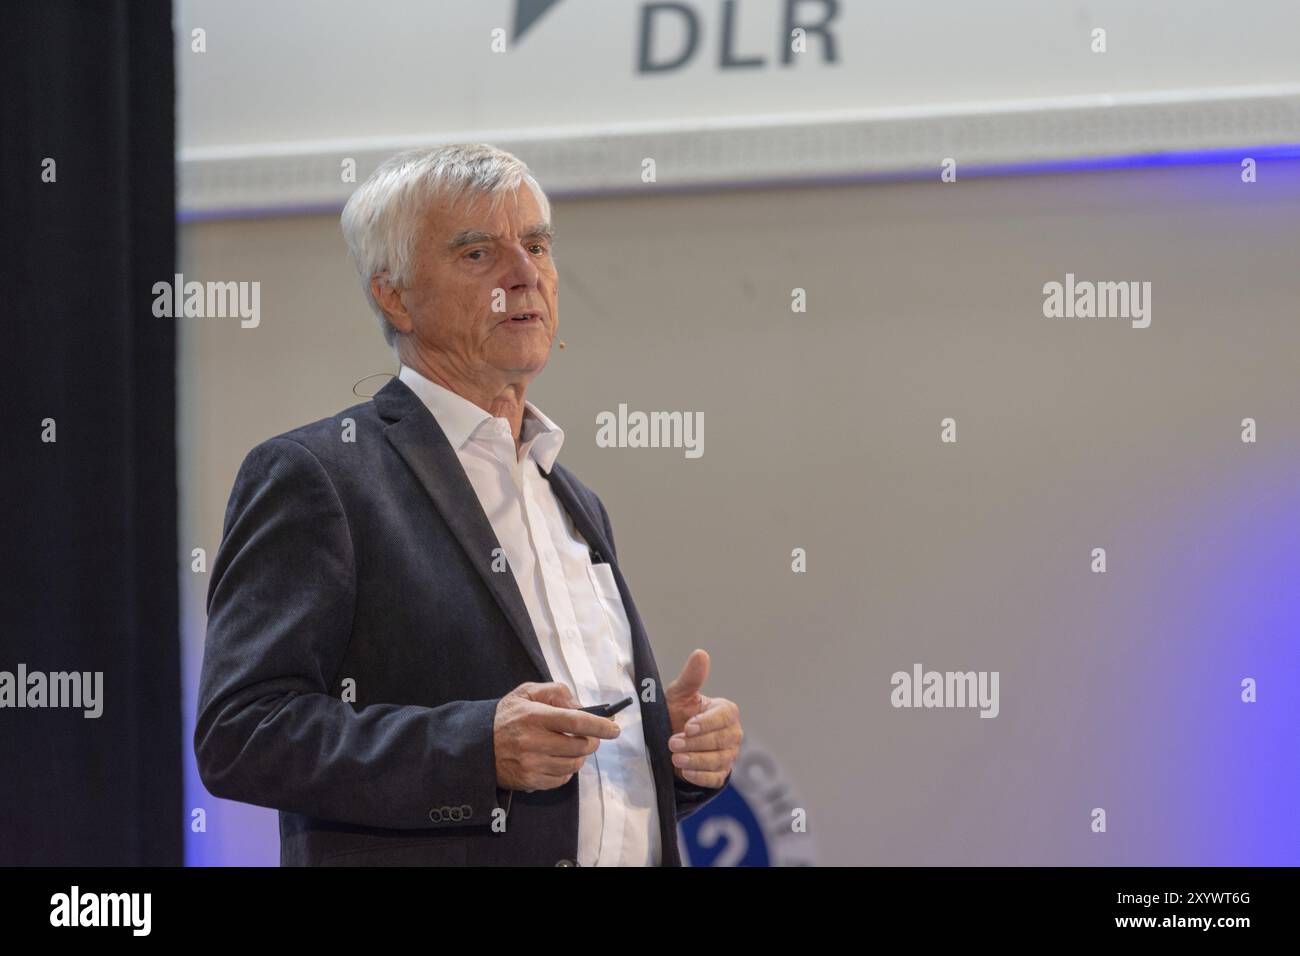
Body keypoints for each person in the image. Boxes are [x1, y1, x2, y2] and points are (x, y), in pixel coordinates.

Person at [194, 144, 743, 866]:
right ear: (395, 295)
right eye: (479, 253)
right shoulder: (319, 476)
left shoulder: (572, 497)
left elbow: (568, 773)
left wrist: (660, 746)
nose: (525, 275)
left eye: (538, 245)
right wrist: (473, 748)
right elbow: (242, 733)